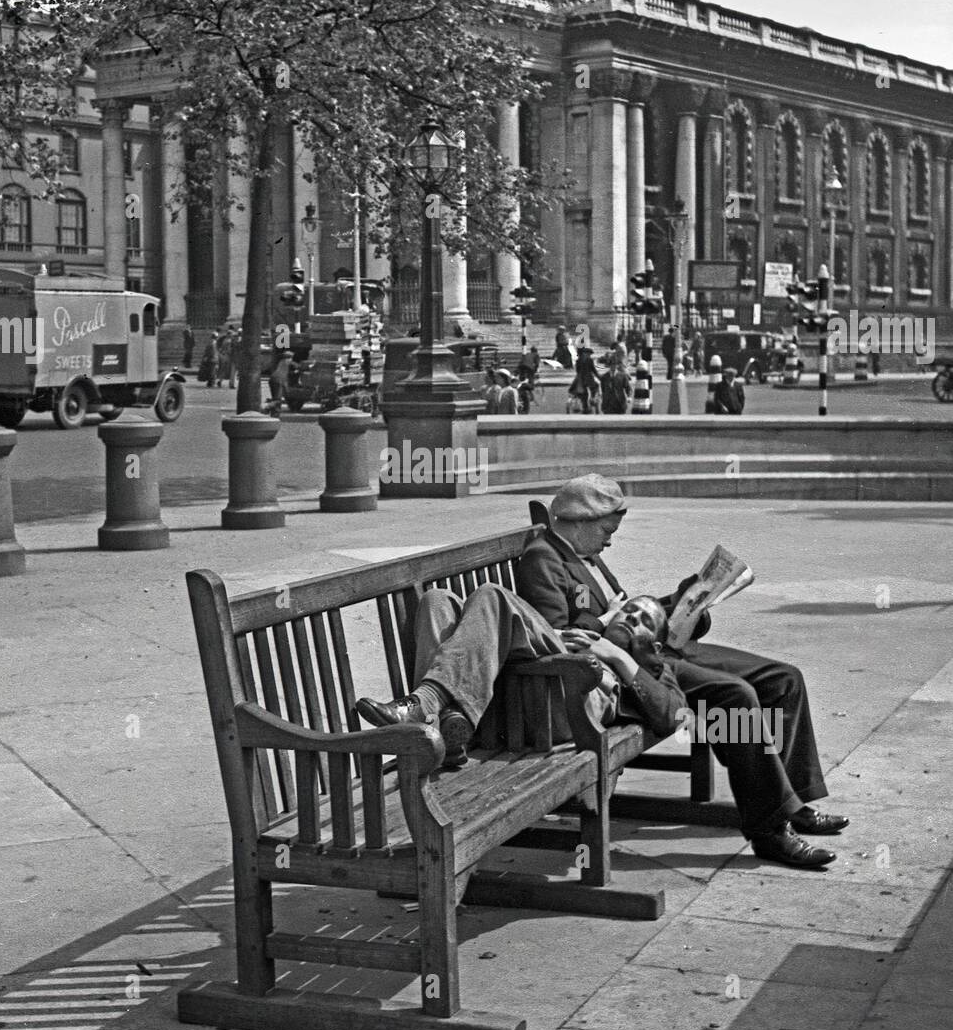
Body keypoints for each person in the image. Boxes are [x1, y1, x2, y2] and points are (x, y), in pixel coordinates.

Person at [517, 474, 849, 870]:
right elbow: (560, 637)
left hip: (654, 647)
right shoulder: (543, 558)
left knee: (784, 678)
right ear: (578, 521)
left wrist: (683, 602)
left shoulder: (582, 553)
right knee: (734, 698)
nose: (610, 540)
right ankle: (770, 832)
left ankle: (793, 800)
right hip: (621, 670)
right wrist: (612, 620)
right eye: (607, 530)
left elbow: (624, 610)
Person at [356, 583, 686, 770]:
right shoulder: (587, 629)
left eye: (644, 619)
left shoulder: (656, 667)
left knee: (492, 596)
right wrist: (589, 628)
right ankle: (446, 731)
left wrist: (616, 655)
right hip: (523, 697)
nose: (632, 617)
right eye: (629, 610)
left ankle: (426, 710)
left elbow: (672, 715)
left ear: (654, 643)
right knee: (436, 601)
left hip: (574, 706)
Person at [569, 346, 600, 415]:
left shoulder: (578, 360)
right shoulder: (589, 360)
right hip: (589, 379)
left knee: (577, 390)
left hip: (580, 379)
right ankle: (593, 398)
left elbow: (577, 371)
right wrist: (599, 377)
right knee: (596, 386)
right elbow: (593, 370)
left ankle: (584, 405)